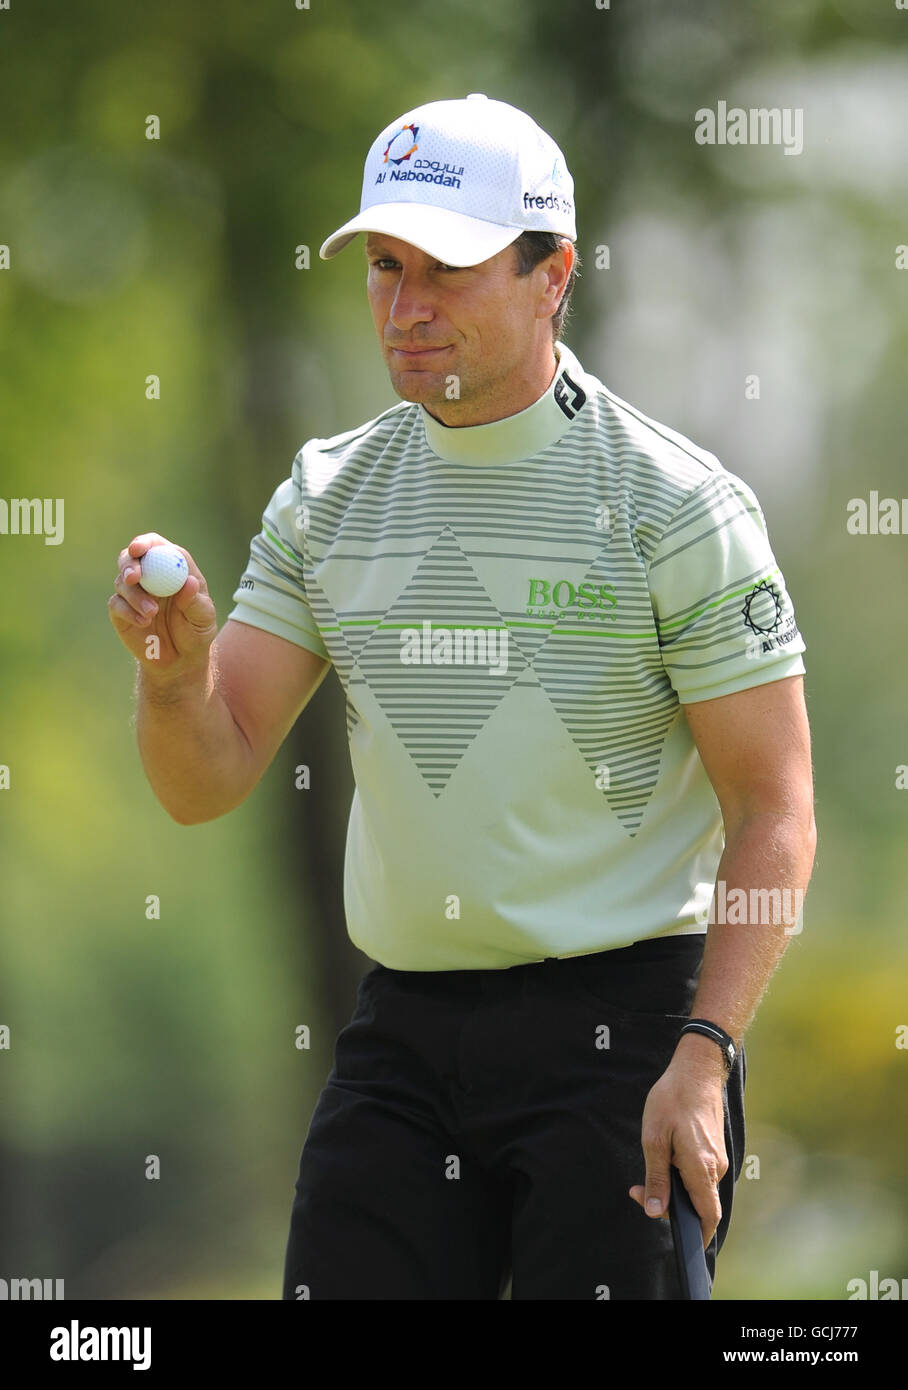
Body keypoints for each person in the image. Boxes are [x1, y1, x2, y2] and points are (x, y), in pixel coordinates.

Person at [109, 94, 816, 1300]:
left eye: (445, 268)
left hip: (625, 1038)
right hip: (402, 1046)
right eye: (384, 267)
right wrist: (175, 681)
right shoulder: (327, 496)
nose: (404, 306)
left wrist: (702, 1057)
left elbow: (774, 810)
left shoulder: (675, 505)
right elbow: (205, 777)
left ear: (552, 276)